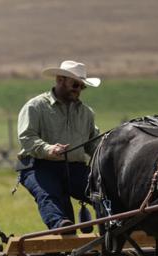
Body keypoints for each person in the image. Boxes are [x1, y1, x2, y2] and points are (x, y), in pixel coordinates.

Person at [16, 60, 100, 230]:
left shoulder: (86, 113)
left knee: (104, 192)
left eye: (82, 86)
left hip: (75, 168)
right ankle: (61, 228)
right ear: (60, 80)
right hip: (38, 167)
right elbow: (27, 137)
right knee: (49, 195)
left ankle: (118, 227)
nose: (78, 89)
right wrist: (49, 149)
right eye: (75, 84)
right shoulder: (35, 106)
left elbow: (94, 144)